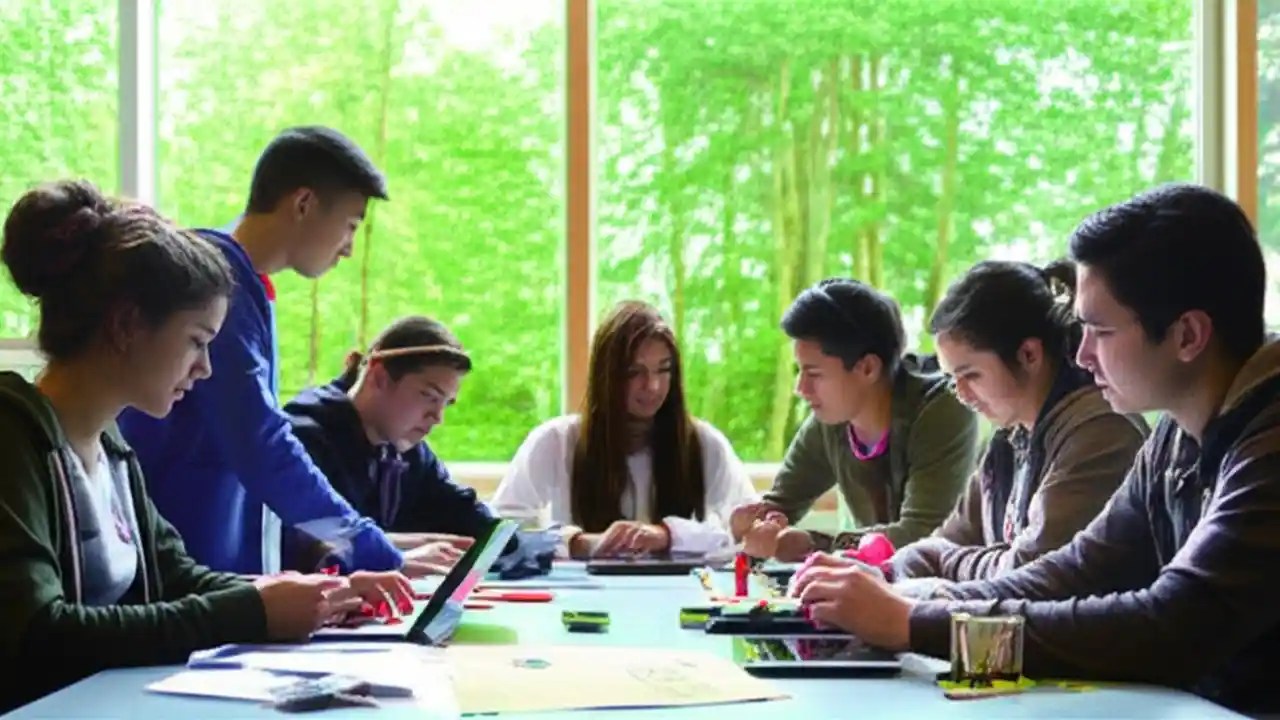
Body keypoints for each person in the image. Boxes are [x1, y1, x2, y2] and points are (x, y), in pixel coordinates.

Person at [789, 184, 1280, 715]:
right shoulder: (1175, 435)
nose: (1083, 353)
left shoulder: (1268, 439)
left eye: (1099, 330)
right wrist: (912, 600)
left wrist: (912, 624)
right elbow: (1075, 569)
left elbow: (1175, 624)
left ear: (1187, 335)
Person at [0, 181, 412, 712]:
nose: (205, 368)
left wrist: (320, 596)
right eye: (197, 340)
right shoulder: (13, 436)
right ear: (127, 325)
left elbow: (176, 576)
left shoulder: (112, 448)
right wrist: (253, 611)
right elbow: (39, 632)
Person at [118, 126, 422, 576]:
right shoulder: (218, 280)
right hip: (181, 576)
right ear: (303, 204)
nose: (349, 249)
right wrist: (374, 552)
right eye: (350, 225)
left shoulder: (248, 285)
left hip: (219, 573)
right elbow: (262, 449)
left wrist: (336, 557)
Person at [887, 260, 1146, 584]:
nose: (962, 394)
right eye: (953, 380)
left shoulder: (1102, 432)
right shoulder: (1008, 439)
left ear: (1029, 355)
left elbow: (1032, 569)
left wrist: (940, 560)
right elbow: (947, 541)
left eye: (971, 375)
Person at [734, 279, 980, 560]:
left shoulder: (944, 409)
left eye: (814, 374)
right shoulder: (830, 422)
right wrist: (754, 523)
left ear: (867, 368)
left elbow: (925, 536)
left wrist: (814, 545)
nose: (800, 388)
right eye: (799, 372)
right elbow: (779, 506)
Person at [491, 300, 756, 557]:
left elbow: (746, 530)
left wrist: (668, 536)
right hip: (579, 599)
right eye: (634, 372)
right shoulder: (556, 442)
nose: (652, 386)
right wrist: (579, 543)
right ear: (606, 376)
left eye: (663, 370)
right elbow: (501, 531)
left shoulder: (703, 444)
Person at [284, 315, 514, 570]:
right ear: (379, 377)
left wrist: (516, 541)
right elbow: (309, 542)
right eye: (428, 396)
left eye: (445, 403)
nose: (437, 418)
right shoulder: (302, 438)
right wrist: (399, 551)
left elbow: (467, 518)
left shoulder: (406, 451)